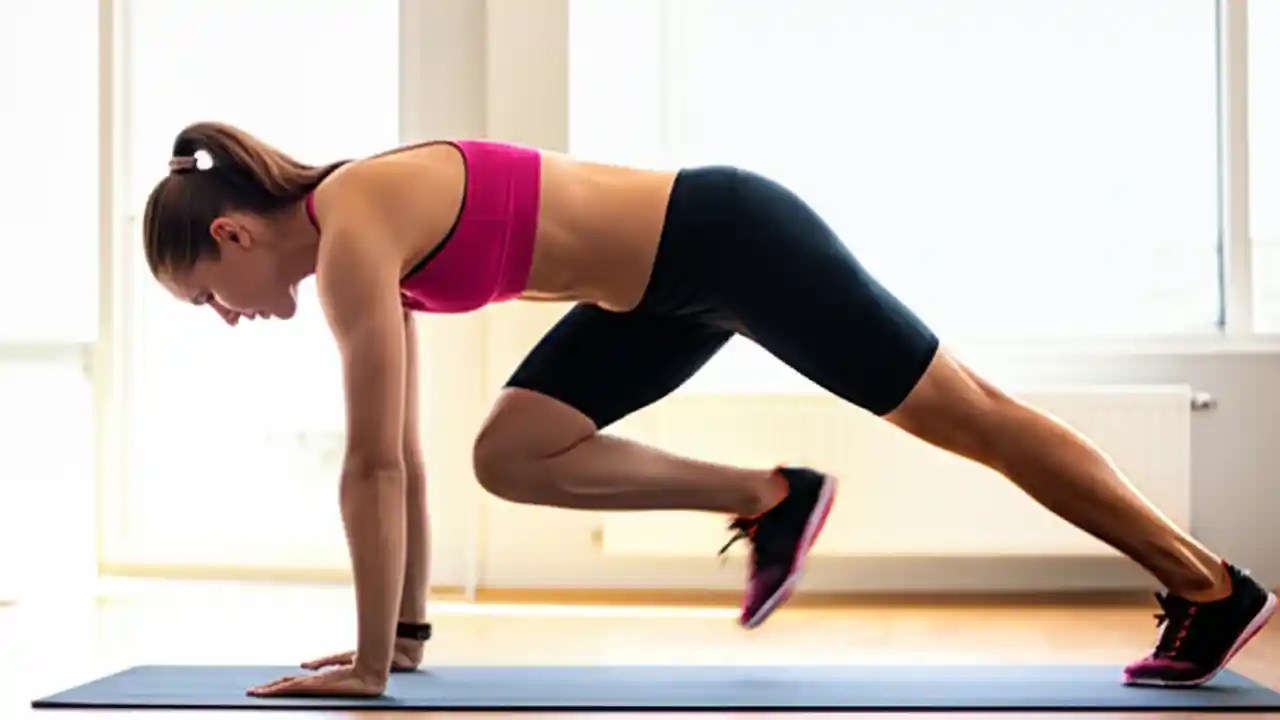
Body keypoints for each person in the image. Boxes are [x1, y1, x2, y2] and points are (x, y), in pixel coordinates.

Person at [142, 121, 1274, 698]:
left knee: (968, 414)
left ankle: (1206, 585)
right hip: (655, 293)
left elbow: (373, 471)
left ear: (231, 234)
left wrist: (366, 672)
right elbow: (406, 457)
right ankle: (771, 498)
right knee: (512, 452)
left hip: (728, 239)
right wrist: (397, 642)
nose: (226, 317)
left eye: (207, 296)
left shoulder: (353, 231)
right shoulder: (357, 239)